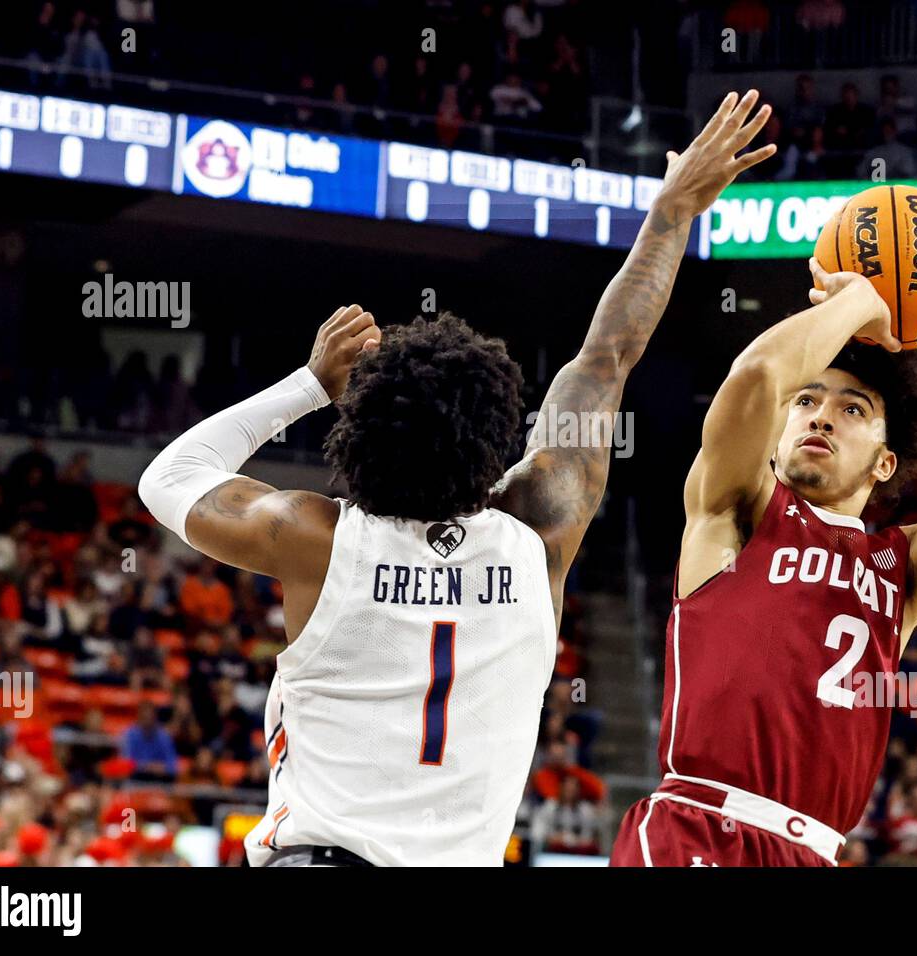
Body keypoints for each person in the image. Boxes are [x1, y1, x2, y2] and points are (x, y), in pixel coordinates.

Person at [138, 92, 776, 868]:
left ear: (358, 435)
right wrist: (673, 212)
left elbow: (171, 474)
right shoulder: (542, 530)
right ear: (495, 438)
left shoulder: (313, 537)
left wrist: (309, 383)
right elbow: (606, 357)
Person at [610, 197, 917, 866]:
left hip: (818, 851)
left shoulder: (905, 569)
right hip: (701, 825)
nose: (821, 415)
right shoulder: (736, 509)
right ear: (776, 440)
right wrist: (858, 303)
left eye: (852, 407)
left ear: (886, 461)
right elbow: (756, 375)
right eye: (806, 400)